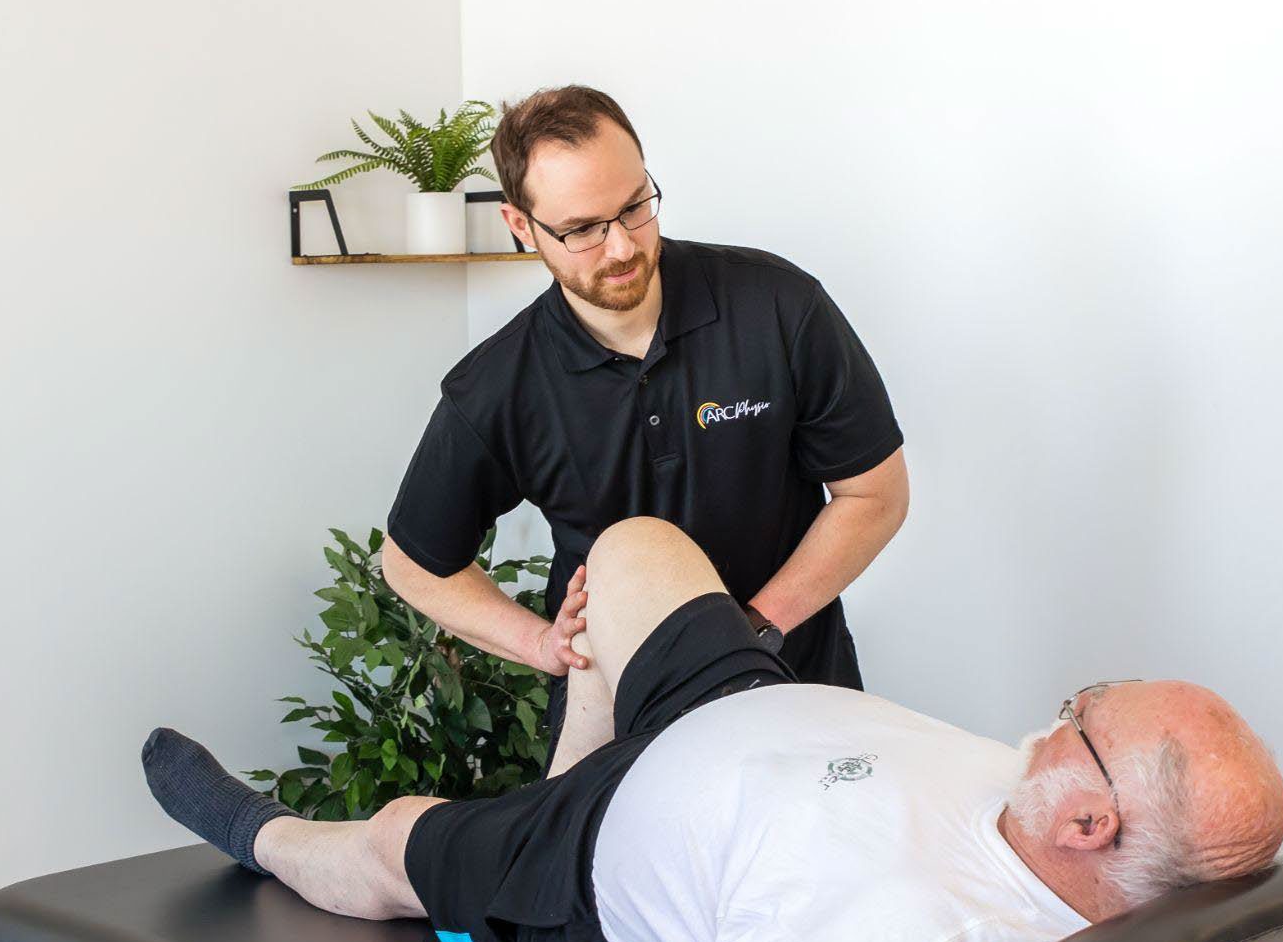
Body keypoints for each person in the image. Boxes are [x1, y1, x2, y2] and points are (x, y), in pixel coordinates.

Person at [140, 518, 1283, 942]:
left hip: (590, 867)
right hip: (737, 718)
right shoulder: (1063, 826)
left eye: (1079, 714)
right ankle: (576, 751)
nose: (1055, 711)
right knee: (634, 547)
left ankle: (261, 830)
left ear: (1090, 825)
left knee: (401, 828)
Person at [380, 85, 909, 783]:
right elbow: (413, 560)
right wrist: (542, 643)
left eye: (635, 205)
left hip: (797, 687)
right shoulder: (498, 387)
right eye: (583, 228)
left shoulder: (778, 307)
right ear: (520, 224)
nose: (623, 245)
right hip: (618, 723)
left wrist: (752, 630)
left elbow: (875, 493)